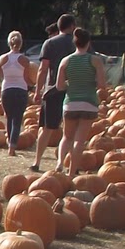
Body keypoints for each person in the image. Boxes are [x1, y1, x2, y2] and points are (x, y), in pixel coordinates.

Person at [55, 27, 108, 174]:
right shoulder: (95, 61)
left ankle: (60, 163)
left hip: (70, 103)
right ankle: (72, 171)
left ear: (75, 42)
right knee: (79, 140)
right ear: (88, 43)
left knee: (66, 137)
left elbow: (59, 86)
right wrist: (91, 83)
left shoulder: (65, 61)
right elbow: (102, 85)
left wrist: (71, 84)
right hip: (89, 103)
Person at [32, 13, 77, 171]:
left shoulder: (49, 43)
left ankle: (37, 162)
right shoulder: (78, 42)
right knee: (71, 131)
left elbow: (43, 69)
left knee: (47, 128)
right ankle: (72, 164)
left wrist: (38, 90)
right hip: (73, 90)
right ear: (72, 26)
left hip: (52, 90)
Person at [0, 31, 32, 156]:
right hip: (20, 90)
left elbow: (1, 76)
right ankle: (12, 147)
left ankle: (9, 143)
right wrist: (33, 85)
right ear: (21, 44)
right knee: (17, 119)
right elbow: (26, 78)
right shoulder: (24, 60)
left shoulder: (2, 58)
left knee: (9, 118)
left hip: (6, 90)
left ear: (9, 43)